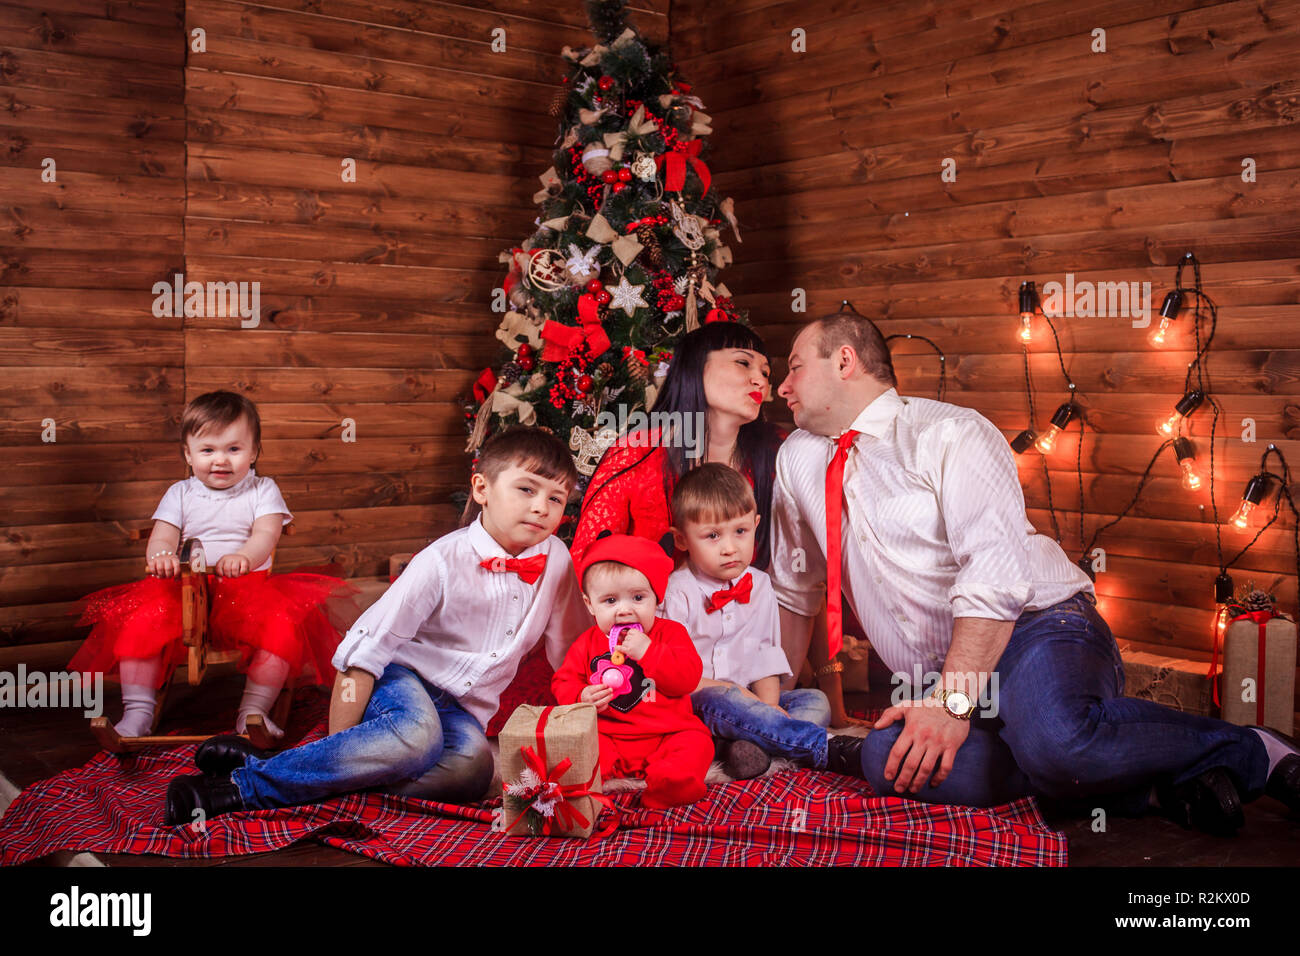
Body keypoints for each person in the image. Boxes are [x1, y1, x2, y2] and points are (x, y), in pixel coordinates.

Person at [770, 311, 1300, 834]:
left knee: (1056, 740)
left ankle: (1255, 750)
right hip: (939, 675)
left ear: (844, 361)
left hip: (1037, 625)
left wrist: (951, 705)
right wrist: (770, 710)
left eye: (794, 367)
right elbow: (797, 592)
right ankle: (1148, 783)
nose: (782, 387)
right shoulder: (796, 459)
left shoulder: (950, 432)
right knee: (888, 755)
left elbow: (994, 579)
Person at [162, 426, 595, 822]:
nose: (541, 507)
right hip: (398, 678)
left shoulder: (557, 559)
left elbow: (569, 645)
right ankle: (245, 786)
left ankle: (295, 768)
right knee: (417, 738)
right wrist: (340, 739)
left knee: (473, 769)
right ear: (482, 488)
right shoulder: (441, 561)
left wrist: (591, 692)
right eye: (527, 489)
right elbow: (366, 646)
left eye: (556, 499)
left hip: (463, 707)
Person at [571, 320, 864, 726]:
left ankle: (761, 721)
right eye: (743, 362)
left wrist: (836, 702)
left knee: (813, 706)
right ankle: (750, 725)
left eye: (766, 371)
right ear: (696, 368)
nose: (759, 378)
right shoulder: (638, 453)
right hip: (653, 659)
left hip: (747, 655)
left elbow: (808, 572)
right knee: (734, 705)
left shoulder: (778, 455)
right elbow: (587, 565)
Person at [69, 390, 351, 740]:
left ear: (254, 452)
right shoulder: (181, 494)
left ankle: (253, 710)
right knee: (140, 623)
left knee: (281, 628)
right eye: (208, 450)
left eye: (234, 449)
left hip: (246, 589)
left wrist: (246, 556)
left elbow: (267, 533)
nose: (221, 460)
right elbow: (162, 536)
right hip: (183, 588)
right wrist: (162, 558)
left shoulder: (263, 490)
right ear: (188, 455)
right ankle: (137, 712)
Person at [661, 463, 841, 780]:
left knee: (814, 699)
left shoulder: (758, 584)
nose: (730, 548)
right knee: (726, 699)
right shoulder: (677, 592)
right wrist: (747, 701)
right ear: (682, 540)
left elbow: (764, 656)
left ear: (756, 525)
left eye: (740, 531)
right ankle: (821, 747)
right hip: (700, 705)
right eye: (712, 536)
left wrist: (767, 708)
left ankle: (751, 745)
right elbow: (675, 678)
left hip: (750, 704)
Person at [553, 533, 713, 809]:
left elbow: (687, 679)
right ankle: (582, 785)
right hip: (609, 733)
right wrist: (581, 696)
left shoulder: (671, 634)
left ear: (656, 599)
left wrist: (648, 652)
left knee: (697, 743)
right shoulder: (587, 642)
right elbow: (563, 680)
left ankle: (672, 782)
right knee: (579, 752)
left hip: (669, 732)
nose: (624, 610)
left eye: (638, 597)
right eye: (610, 601)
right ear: (590, 604)